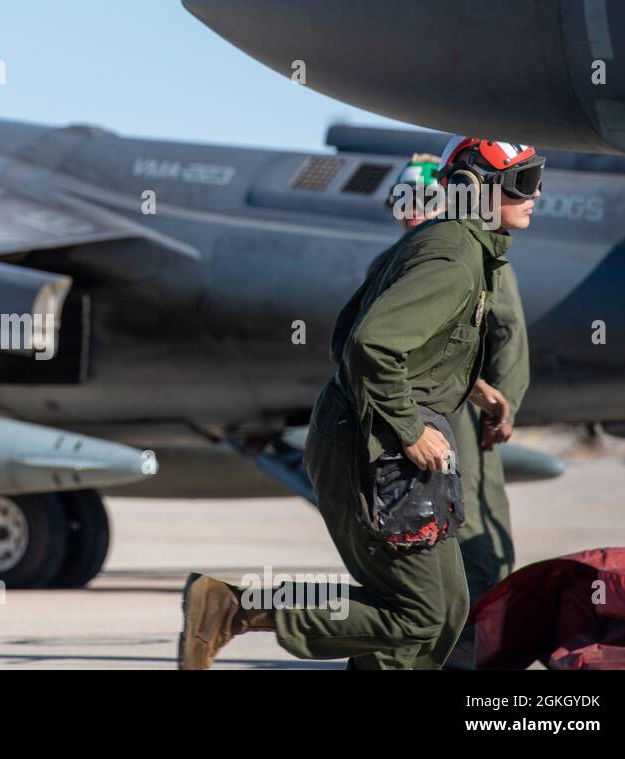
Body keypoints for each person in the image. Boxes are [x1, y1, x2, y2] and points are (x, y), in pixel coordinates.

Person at [178, 137, 545, 669]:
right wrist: (411, 428)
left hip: (383, 436)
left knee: (446, 609)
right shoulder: (452, 255)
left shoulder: (457, 248)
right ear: (475, 189)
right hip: (376, 445)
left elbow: (359, 334)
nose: (536, 195)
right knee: (419, 613)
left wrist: (470, 387)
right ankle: (236, 608)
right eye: (523, 183)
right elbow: (368, 344)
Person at [384, 152, 530, 669]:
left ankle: (479, 644)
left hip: (465, 413)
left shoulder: (467, 254)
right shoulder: (414, 255)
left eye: (419, 201)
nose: (407, 214)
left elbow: (508, 329)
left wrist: (502, 404)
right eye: (399, 203)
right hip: (425, 412)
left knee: (472, 524)